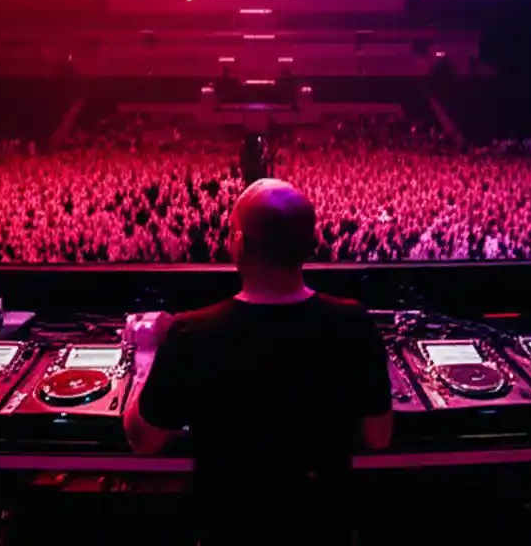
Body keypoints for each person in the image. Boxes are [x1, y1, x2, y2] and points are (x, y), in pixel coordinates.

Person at [123, 178, 394, 546]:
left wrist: (145, 359)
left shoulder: (192, 334)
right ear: (311, 243)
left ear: (238, 242)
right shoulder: (354, 324)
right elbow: (379, 437)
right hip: (324, 530)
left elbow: (143, 439)